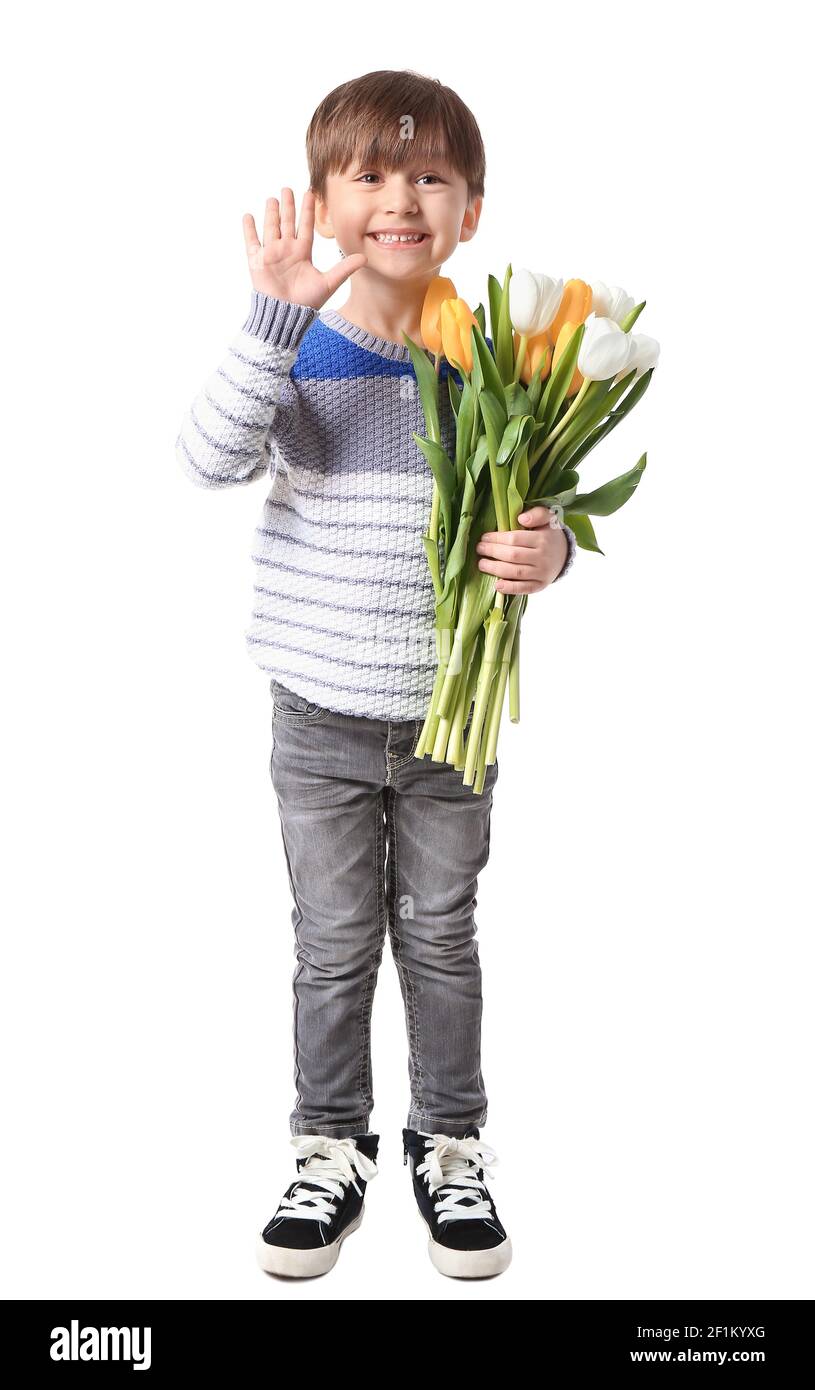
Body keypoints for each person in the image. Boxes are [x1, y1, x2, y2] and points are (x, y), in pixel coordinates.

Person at [176, 69, 575, 1280]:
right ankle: (326, 1143)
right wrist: (269, 323)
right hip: (319, 717)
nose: (401, 196)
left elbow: (541, 508)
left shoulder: (503, 359)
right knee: (335, 941)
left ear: (471, 208)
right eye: (370, 173)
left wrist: (548, 550)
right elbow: (206, 459)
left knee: (442, 937)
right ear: (321, 200)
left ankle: (448, 1143)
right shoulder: (300, 346)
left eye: (430, 175)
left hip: (451, 724)